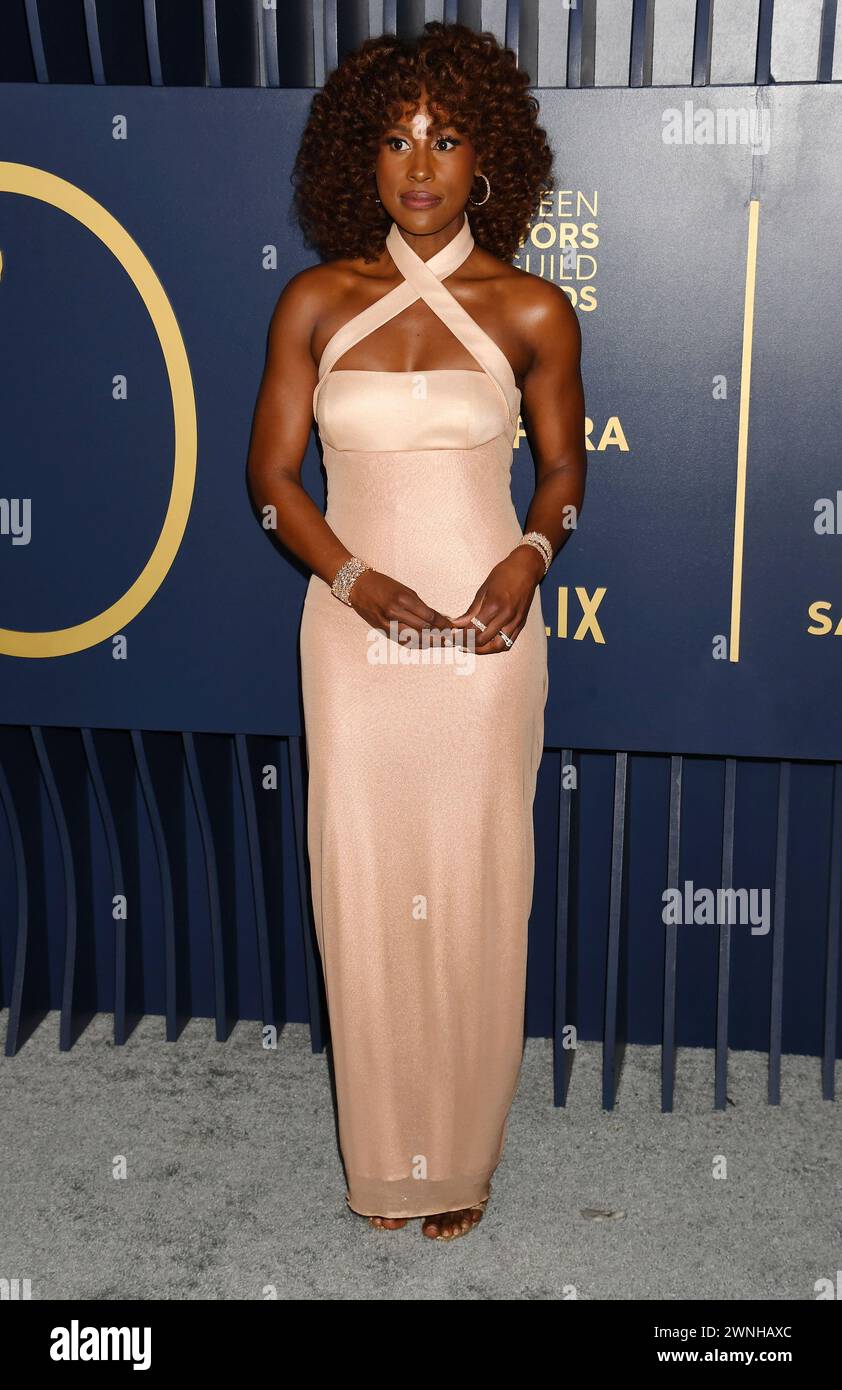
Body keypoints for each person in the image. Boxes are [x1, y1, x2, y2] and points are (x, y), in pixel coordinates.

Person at [247, 20, 586, 1241]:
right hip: (352, 631)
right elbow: (272, 479)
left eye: (443, 137)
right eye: (393, 139)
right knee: (361, 881)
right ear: (362, 160)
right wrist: (347, 578)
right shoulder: (317, 299)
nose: (419, 161)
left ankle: (463, 1159)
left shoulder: (532, 309)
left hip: (484, 637)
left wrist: (528, 556)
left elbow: (560, 471)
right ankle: (385, 1159)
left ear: (484, 155)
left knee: (475, 876)